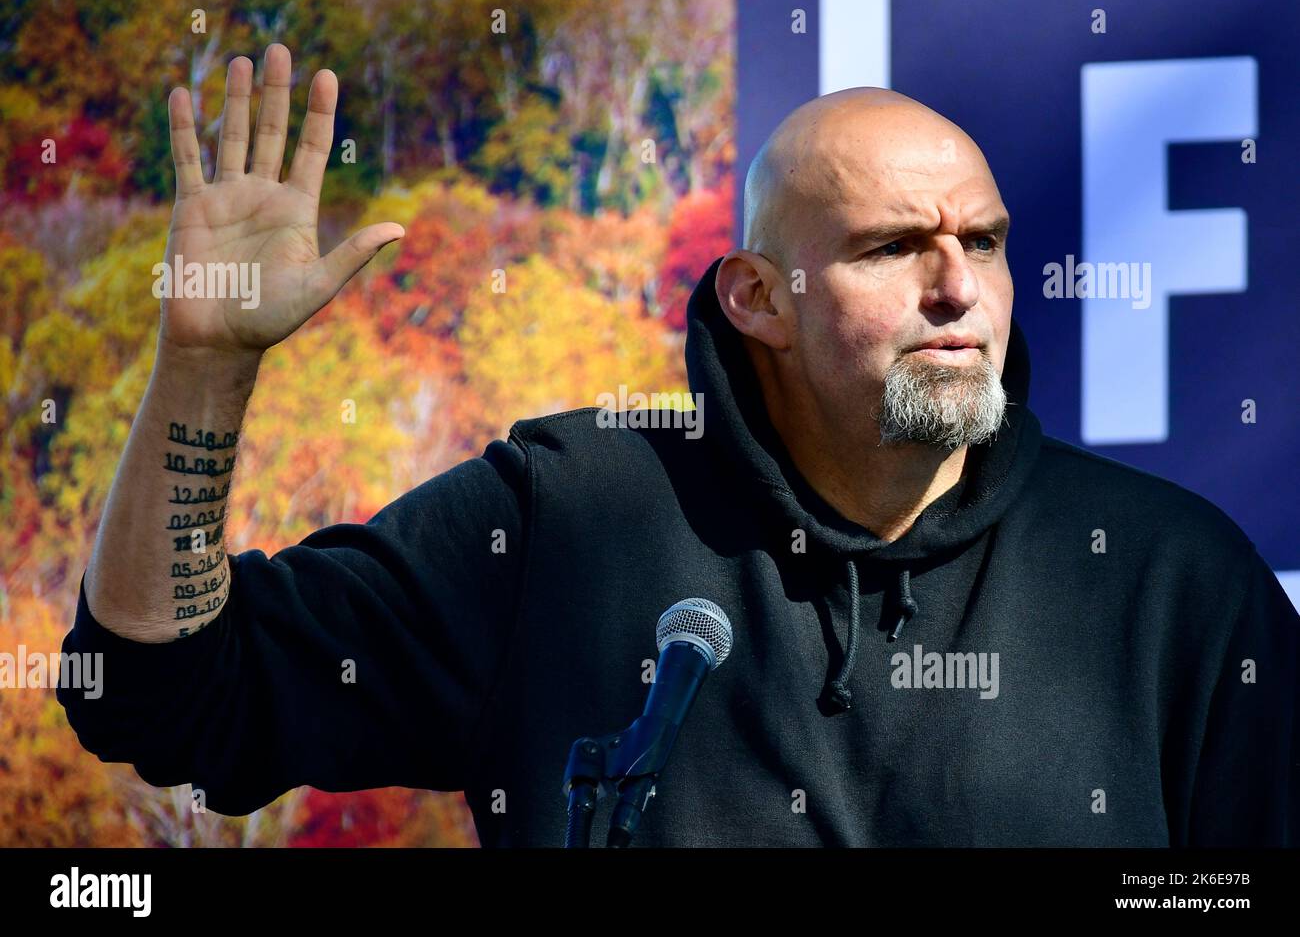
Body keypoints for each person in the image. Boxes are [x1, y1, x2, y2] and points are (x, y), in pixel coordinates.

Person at [58, 44, 1298, 847]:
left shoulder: (1169, 576)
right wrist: (206, 367)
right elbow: (167, 698)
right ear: (754, 297)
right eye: (890, 248)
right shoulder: (563, 517)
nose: (955, 287)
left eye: (982, 242)